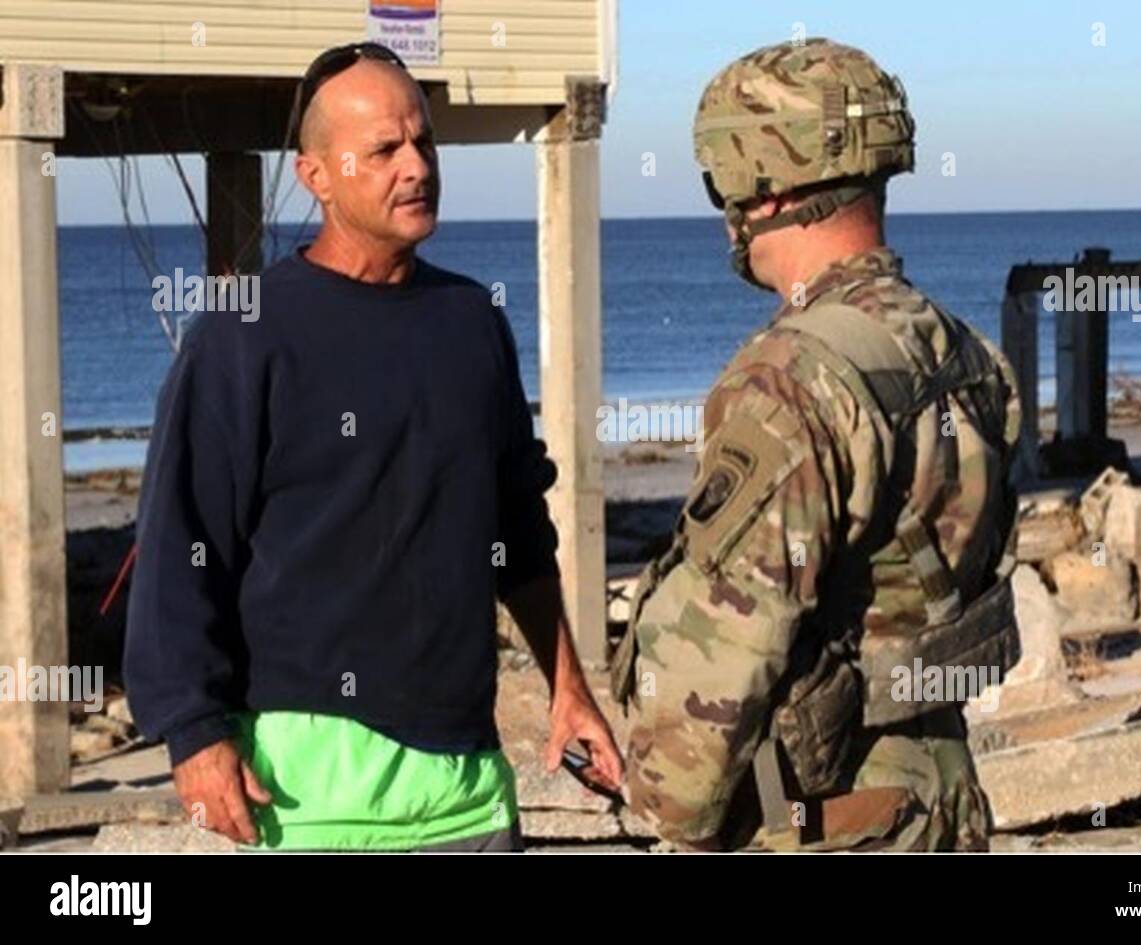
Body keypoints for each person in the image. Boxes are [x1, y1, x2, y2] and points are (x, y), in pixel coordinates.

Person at [125, 42, 622, 853]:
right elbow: (182, 541)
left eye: (423, 140)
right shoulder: (243, 334)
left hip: (467, 797)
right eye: (384, 149)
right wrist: (192, 729)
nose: (416, 166)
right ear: (316, 175)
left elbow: (519, 533)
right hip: (304, 801)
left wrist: (570, 689)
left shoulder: (473, 322)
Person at [612, 38, 1022, 852]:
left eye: (721, 184)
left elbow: (728, 645)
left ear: (763, 187)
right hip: (940, 797)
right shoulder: (963, 352)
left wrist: (666, 811)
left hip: (824, 814)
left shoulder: (790, 380)